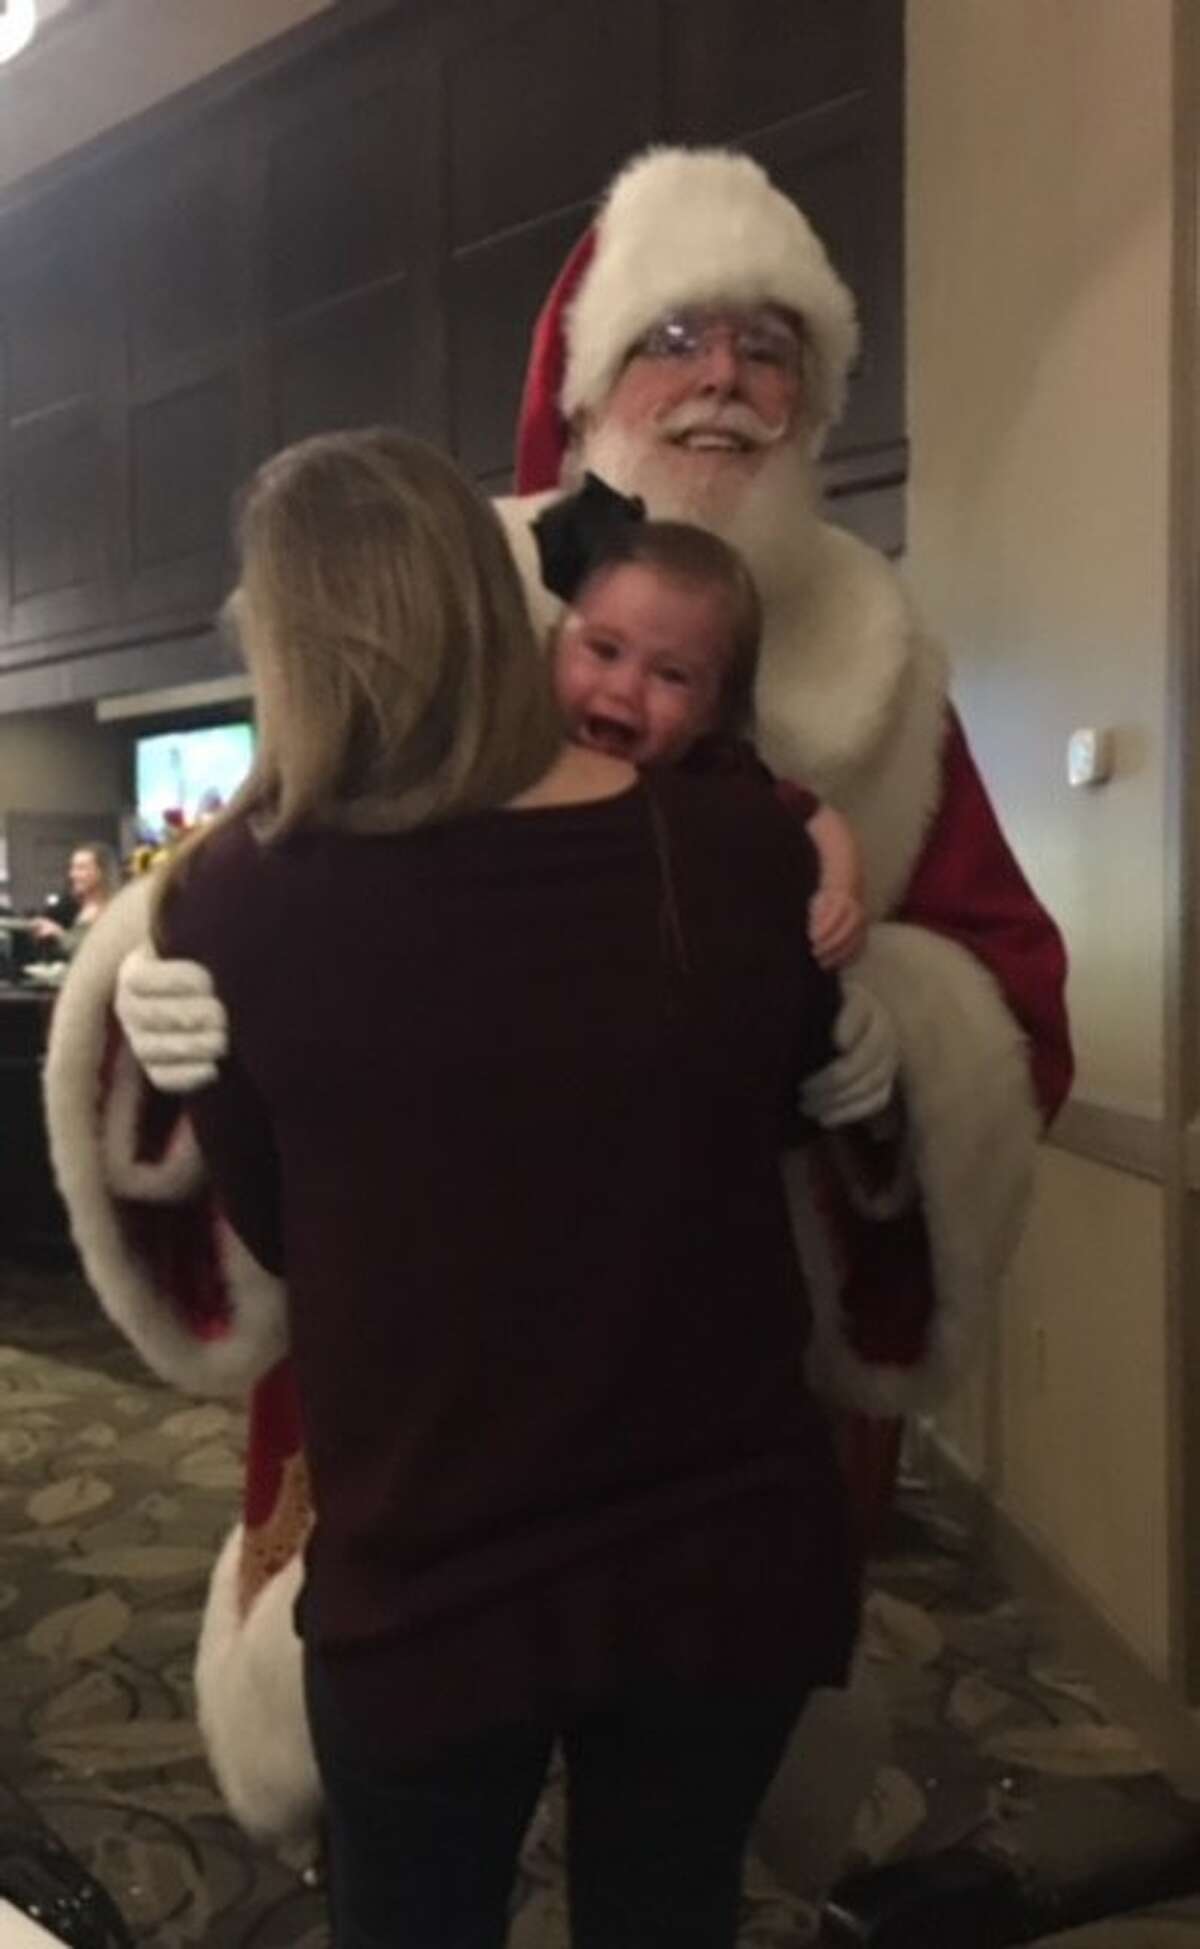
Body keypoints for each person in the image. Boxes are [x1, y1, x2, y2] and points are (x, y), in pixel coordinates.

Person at [44, 144, 1071, 1887]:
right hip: (437, 1383)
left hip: (714, 1371)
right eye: (678, 333)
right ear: (588, 378)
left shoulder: (883, 663)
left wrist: (885, 1030)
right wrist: (150, 971)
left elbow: (1007, 972)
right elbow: (267, 840)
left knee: (650, 1844)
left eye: (767, 343)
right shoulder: (461, 592)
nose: (727, 379)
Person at [152, 424, 862, 1946]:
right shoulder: (744, 844)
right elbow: (797, 1102)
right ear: (506, 604)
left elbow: (279, 1238)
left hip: (431, 1571)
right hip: (718, 1551)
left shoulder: (233, 900)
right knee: (666, 1920)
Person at [538, 479, 866, 970]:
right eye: (604, 650)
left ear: (716, 710)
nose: (624, 690)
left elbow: (820, 820)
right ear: (553, 646)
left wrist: (842, 895)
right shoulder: (529, 750)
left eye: (672, 675)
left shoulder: (717, 773)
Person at [31, 842, 118, 956]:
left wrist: (59, 934)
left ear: (101, 872)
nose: (72, 874)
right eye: (72, 868)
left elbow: (101, 955)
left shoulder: (115, 909)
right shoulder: (72, 905)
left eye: (81, 868)